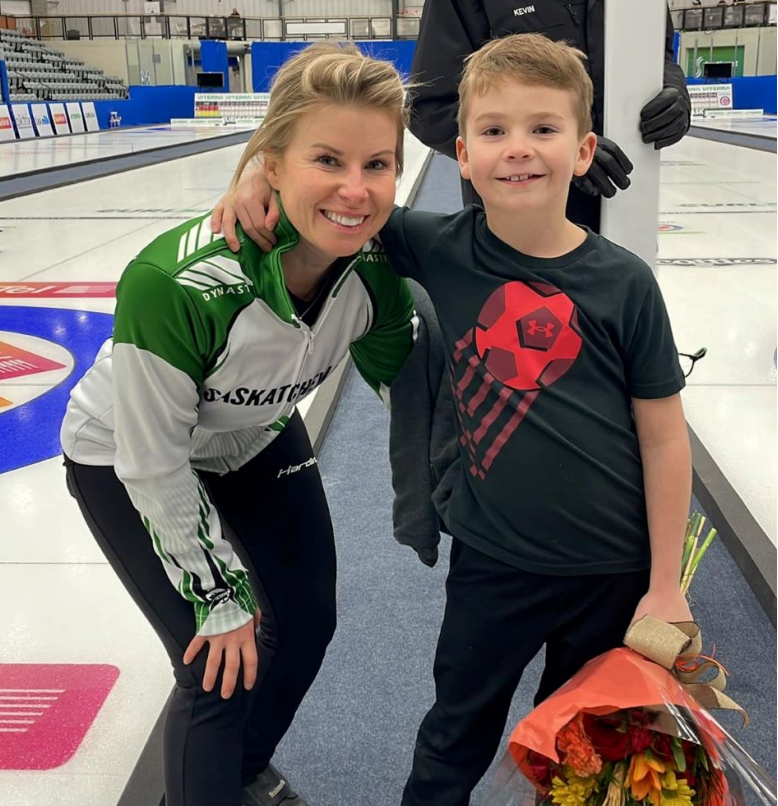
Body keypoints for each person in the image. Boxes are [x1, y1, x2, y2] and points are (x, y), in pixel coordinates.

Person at [215, 32, 695, 806]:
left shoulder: (624, 283)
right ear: (462, 154)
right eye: (495, 131)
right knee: (452, 738)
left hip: (613, 571)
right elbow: (336, 200)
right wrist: (250, 184)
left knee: (586, 750)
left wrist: (665, 584)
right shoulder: (430, 243)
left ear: (583, 150)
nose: (519, 150)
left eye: (544, 129)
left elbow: (664, 437)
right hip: (492, 566)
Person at [60, 43, 415, 806]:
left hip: (251, 435)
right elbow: (154, 466)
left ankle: (237, 772)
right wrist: (216, 596)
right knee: (217, 660)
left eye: (378, 164)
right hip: (127, 453)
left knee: (307, 620)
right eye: (327, 159)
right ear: (271, 162)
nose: (356, 190)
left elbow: (416, 411)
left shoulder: (380, 277)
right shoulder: (175, 283)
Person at [408, 0, 692, 233]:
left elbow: (657, 53)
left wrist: (673, 88)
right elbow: (431, 107)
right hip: (516, 237)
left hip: (629, 219)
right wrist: (558, 150)